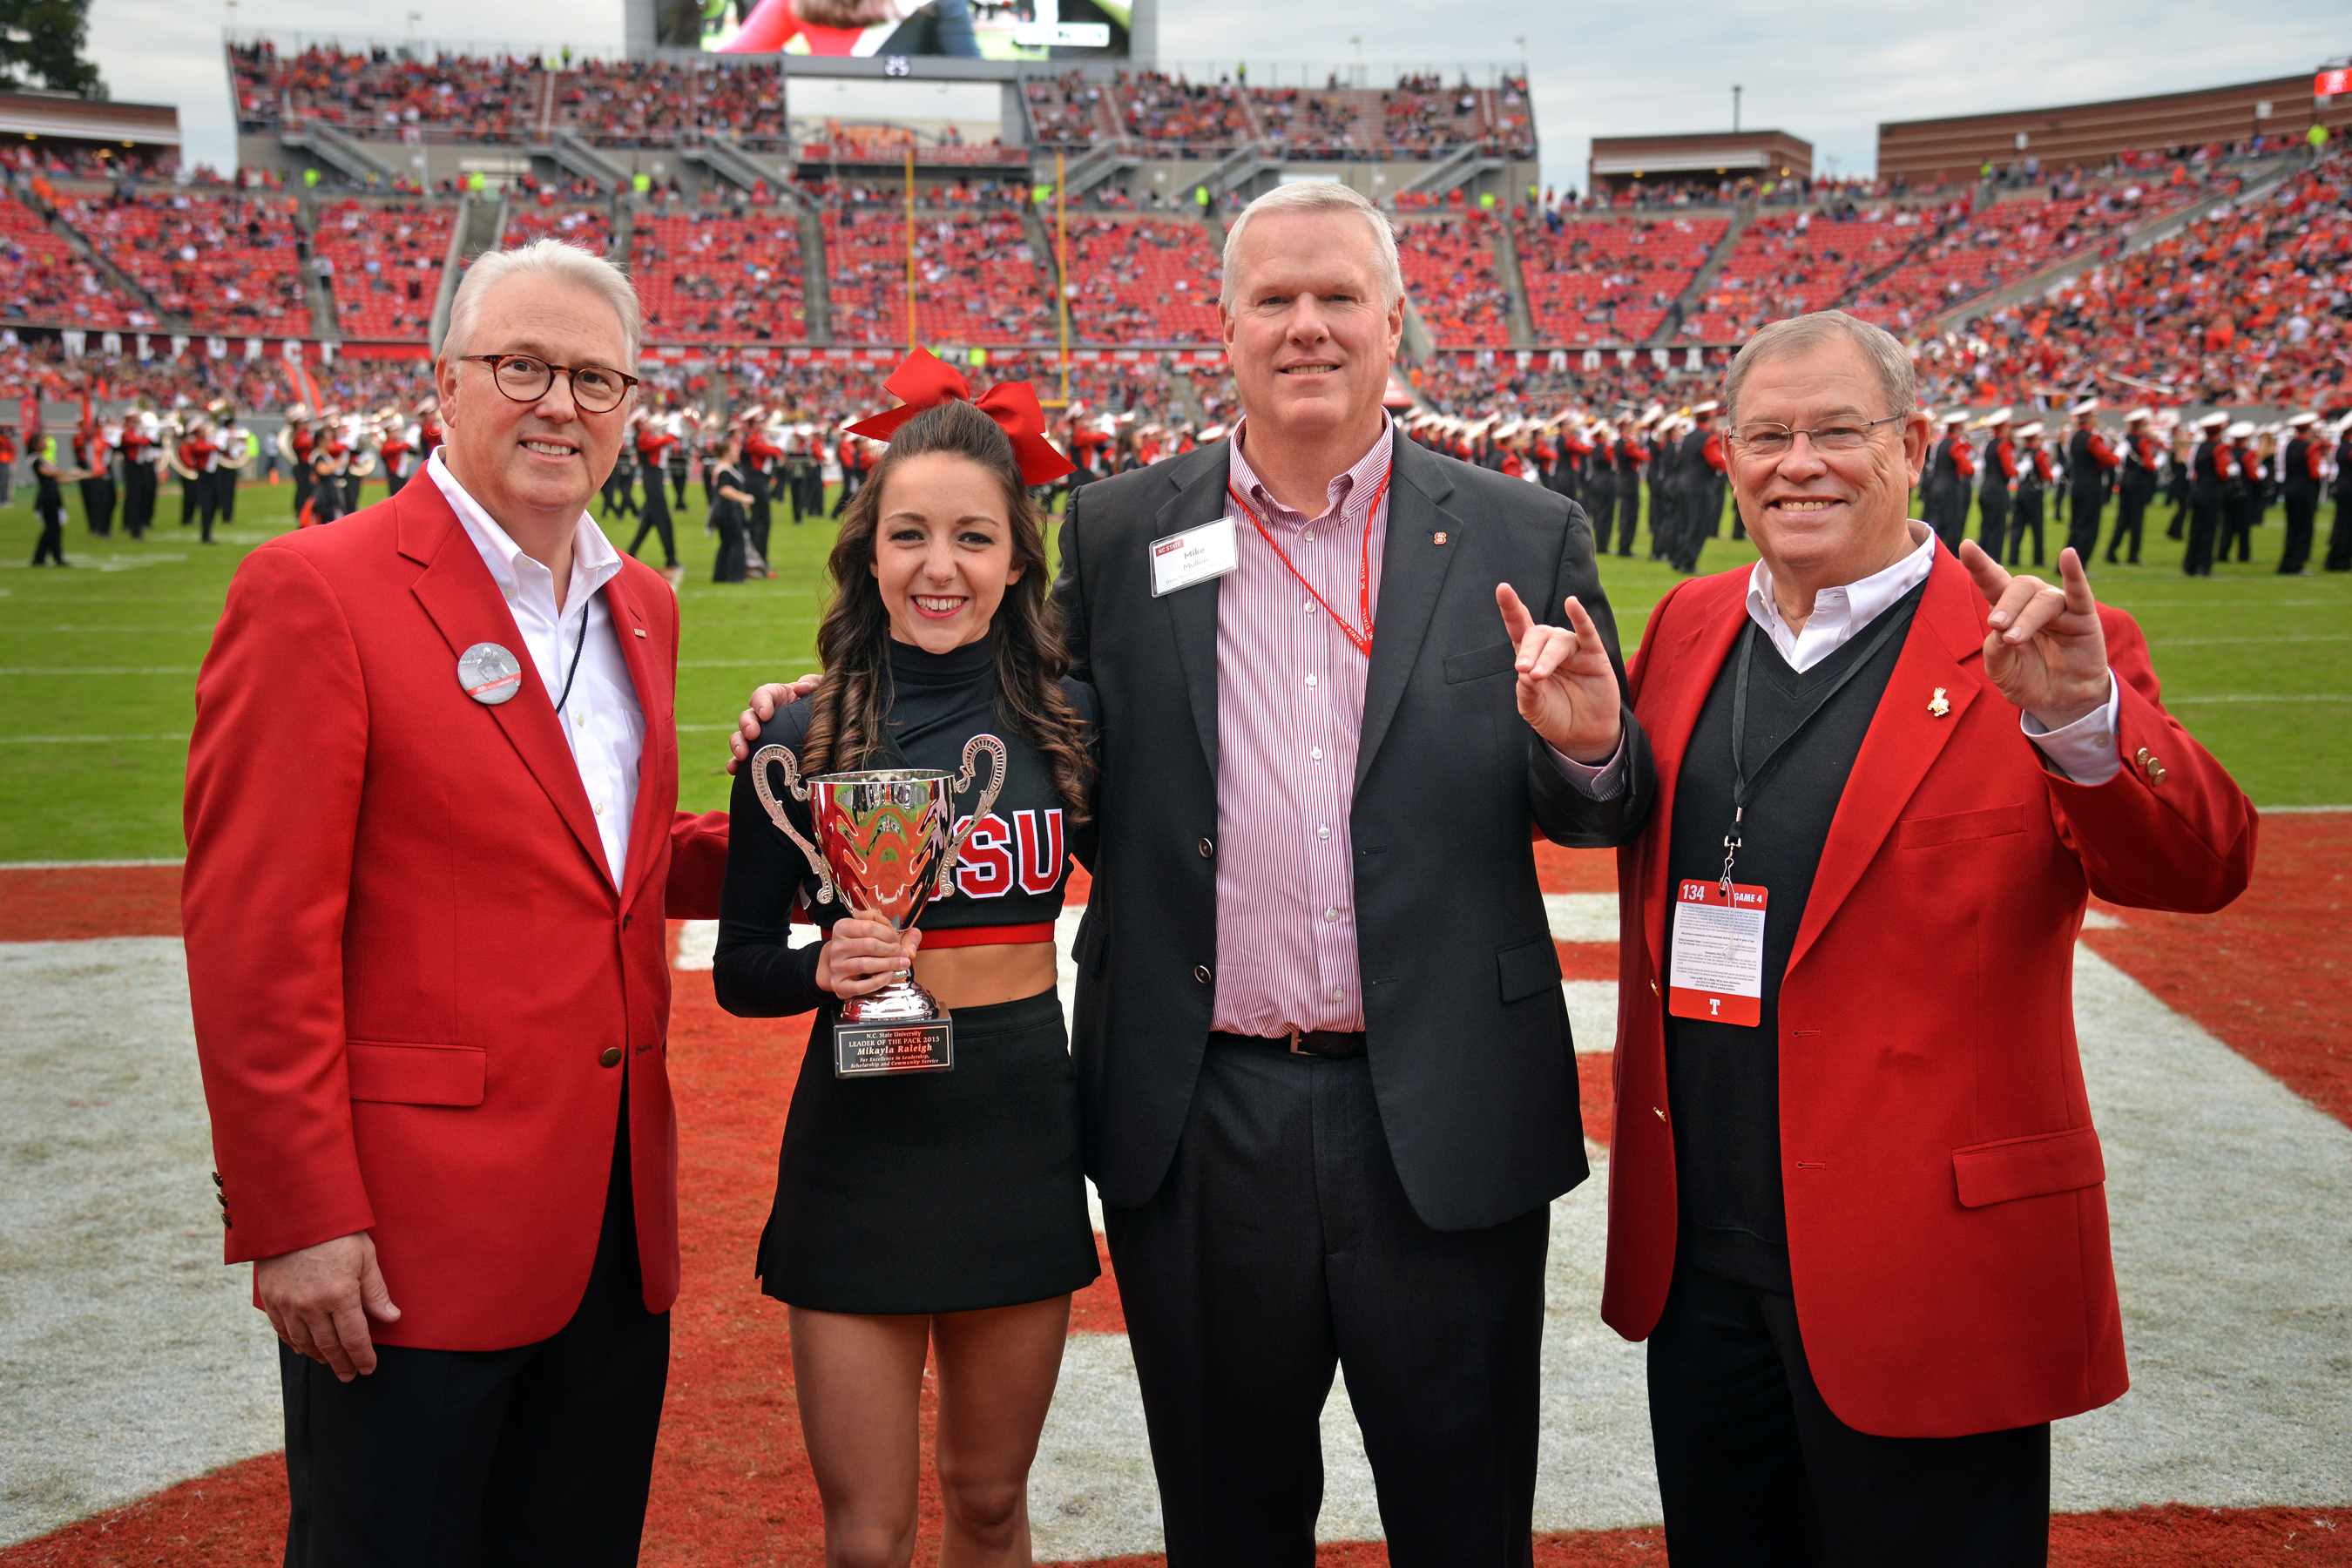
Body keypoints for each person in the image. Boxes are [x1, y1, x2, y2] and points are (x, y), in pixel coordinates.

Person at [738, 179, 1653, 1564]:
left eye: (1338, 295)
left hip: (1449, 1105)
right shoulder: (1115, 532)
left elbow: (1601, 810)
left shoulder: (1527, 530)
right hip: (1202, 1107)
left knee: (1465, 1519)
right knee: (1226, 1521)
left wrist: (1591, 753)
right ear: (1220, 330)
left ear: (1396, 319)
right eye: (1272, 300)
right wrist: (834, 704)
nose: (1306, 326)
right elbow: (1009, 707)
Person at [1598, 310, 2255, 1568]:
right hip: (1705, 1260)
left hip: (1927, 1269)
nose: (1802, 464)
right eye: (1769, 436)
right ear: (1723, 460)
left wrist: (2085, 725)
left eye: (1839, 431)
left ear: (1913, 450)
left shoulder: (2041, 642)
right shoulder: (1688, 625)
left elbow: (2205, 864)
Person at [182, 238, 728, 1568]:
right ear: (444, 385)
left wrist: (815, 812)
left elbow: (614, 867)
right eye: (522, 366)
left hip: (608, 1228)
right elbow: (259, 936)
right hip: (406, 1247)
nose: (560, 405)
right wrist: (300, 1215)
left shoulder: (638, 603)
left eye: (595, 380)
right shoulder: (319, 588)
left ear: (631, 409)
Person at [713, 354, 1092, 1568]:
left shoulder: (1077, 719)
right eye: (912, 535)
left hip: (1021, 1125)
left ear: (1018, 558)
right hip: (860, 1144)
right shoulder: (798, 729)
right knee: (866, 1536)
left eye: (975, 538)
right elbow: (738, 965)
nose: (942, 566)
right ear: (868, 553)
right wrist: (823, 971)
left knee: (988, 1502)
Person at [2063, 401, 2118, 565]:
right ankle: (2080, 565)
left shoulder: (2074, 438)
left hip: (2077, 484)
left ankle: (2065, 565)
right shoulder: (2093, 439)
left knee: (2076, 525)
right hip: (2091, 486)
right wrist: (2116, 451)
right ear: (2089, 419)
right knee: (2089, 527)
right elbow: (2110, 460)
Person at [2106, 408, 2158, 566]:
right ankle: (2133, 554)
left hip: (2125, 479)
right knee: (2137, 519)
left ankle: (2112, 551)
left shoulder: (2125, 439)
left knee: (2123, 518)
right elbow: (2149, 464)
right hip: (2137, 480)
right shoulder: (2142, 441)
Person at [2183, 411, 2231, 578]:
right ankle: (2204, 566)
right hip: (2212, 491)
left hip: (2198, 489)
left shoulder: (2200, 446)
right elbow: (2222, 472)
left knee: (2195, 528)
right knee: (2209, 530)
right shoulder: (2220, 447)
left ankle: (2190, 564)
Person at [2277, 411, 2324, 576]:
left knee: (2292, 528)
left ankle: (2287, 563)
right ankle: (2297, 564)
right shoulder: (2311, 447)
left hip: (2290, 488)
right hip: (2305, 490)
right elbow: (2315, 473)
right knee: (2304, 528)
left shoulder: (2289, 445)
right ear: (2309, 429)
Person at [29, 432, 80, 566]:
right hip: (47, 497)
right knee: (52, 528)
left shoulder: (44, 460)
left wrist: (80, 476)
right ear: (36, 444)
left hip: (53, 495)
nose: (46, 443)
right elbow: (51, 473)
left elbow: (57, 478)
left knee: (55, 528)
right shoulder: (35, 460)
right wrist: (71, 471)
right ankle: (43, 557)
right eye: (43, 440)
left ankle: (52, 557)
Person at [707, 430, 753, 583]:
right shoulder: (724, 470)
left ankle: (720, 576)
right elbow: (724, 489)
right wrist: (743, 497)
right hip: (727, 512)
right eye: (734, 451)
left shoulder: (723, 468)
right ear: (726, 453)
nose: (737, 453)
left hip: (723, 511)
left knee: (726, 543)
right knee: (737, 542)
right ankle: (737, 576)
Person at [1975, 408, 2014, 565]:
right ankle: (1993, 565)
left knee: (1986, 527)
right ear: (2004, 427)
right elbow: (2009, 470)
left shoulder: (1989, 443)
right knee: (1997, 530)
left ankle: (1980, 563)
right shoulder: (2004, 445)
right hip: (1998, 491)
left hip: (1986, 488)